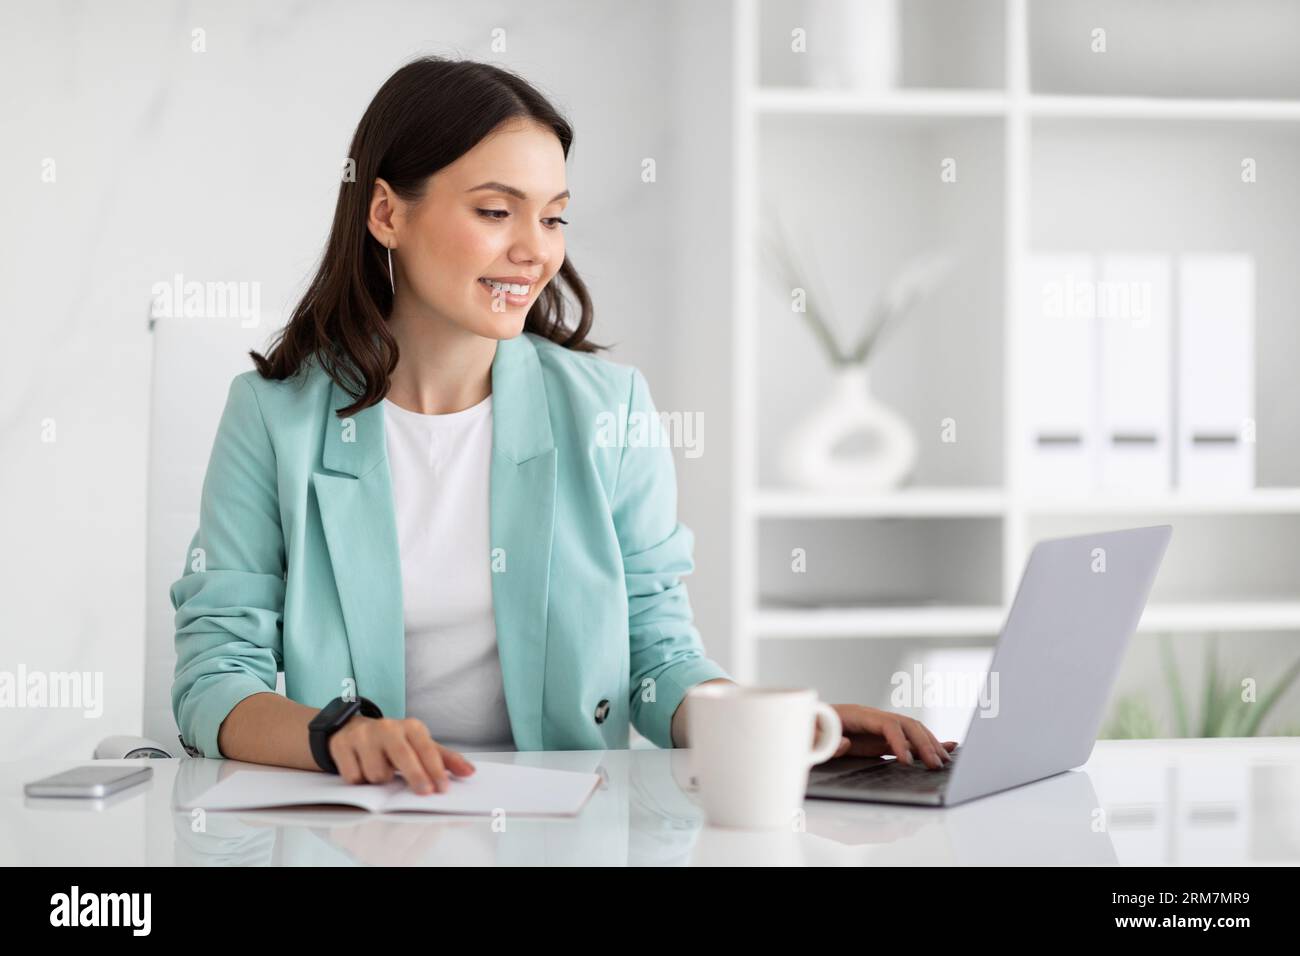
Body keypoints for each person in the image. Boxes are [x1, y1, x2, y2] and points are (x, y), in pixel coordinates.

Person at [171, 56, 955, 797]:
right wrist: (336, 738)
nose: (533, 251)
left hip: (566, 827)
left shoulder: (609, 410)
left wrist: (777, 727)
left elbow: (656, 652)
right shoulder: (273, 418)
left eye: (553, 219)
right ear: (386, 213)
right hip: (363, 829)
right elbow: (215, 680)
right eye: (494, 211)